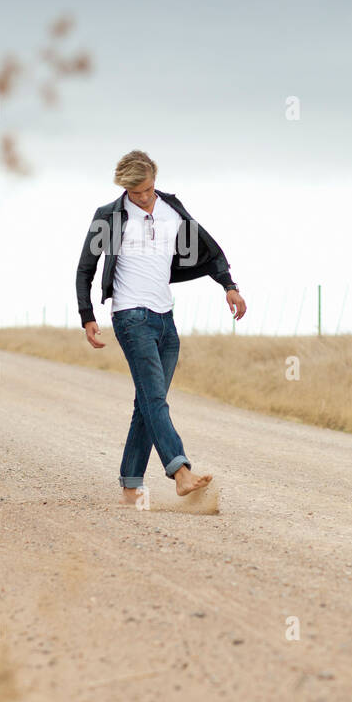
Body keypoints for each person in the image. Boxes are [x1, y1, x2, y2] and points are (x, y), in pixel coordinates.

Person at [75, 149, 246, 505]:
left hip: (165, 319)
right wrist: (87, 316)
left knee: (149, 403)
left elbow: (209, 248)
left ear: (155, 181)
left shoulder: (171, 209)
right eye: (135, 193)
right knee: (154, 399)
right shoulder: (109, 217)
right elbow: (86, 269)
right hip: (130, 316)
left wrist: (229, 286)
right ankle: (180, 471)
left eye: (147, 190)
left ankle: (131, 485)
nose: (141, 198)